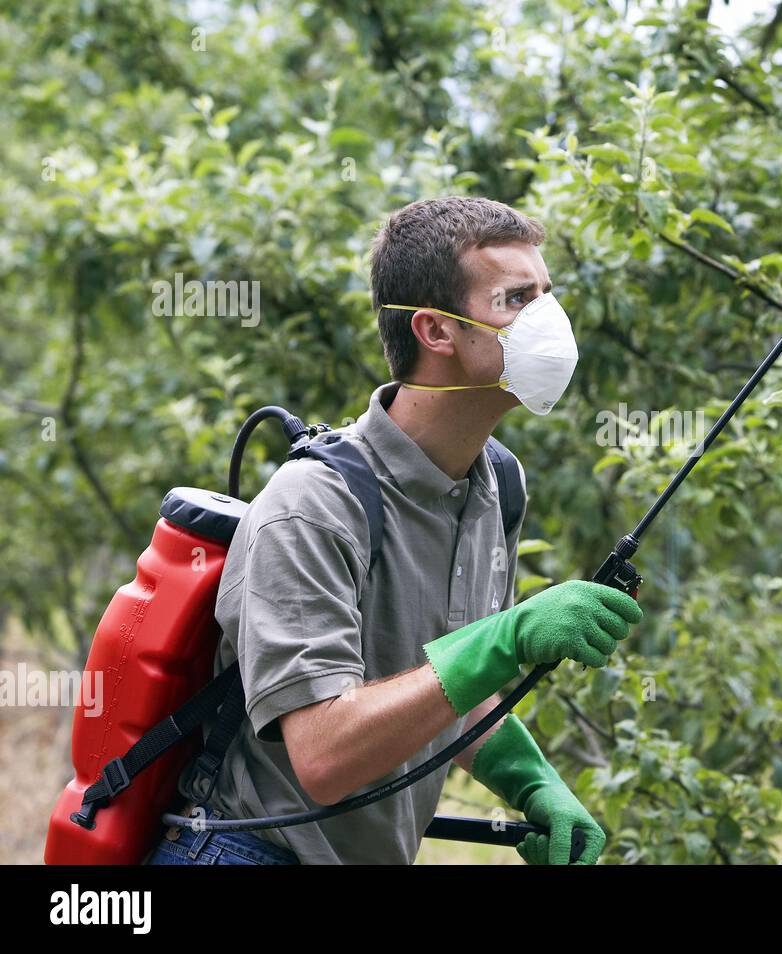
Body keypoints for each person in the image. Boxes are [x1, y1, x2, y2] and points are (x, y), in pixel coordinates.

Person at [145, 196, 642, 865]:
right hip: (246, 852)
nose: (549, 321)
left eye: (546, 293)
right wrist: (511, 635)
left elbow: (442, 686)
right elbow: (324, 755)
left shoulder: (499, 483)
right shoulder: (313, 503)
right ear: (437, 331)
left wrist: (533, 783)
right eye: (517, 298)